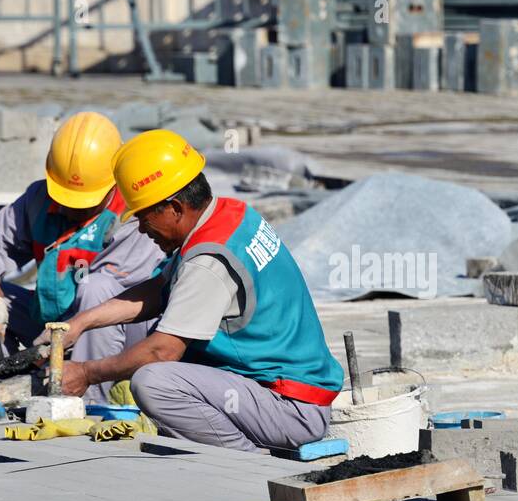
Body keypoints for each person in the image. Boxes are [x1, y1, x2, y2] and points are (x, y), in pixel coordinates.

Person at [53, 129, 343, 452]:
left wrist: (86, 372)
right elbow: (159, 290)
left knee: (153, 383)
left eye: (145, 217)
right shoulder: (226, 213)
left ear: (175, 208)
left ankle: (251, 461)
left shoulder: (208, 260)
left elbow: (162, 352)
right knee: (161, 334)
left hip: (290, 407)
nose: (143, 230)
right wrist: (82, 323)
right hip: (283, 392)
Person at [0, 111, 159, 401]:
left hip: (112, 338)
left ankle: (89, 403)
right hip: (51, 324)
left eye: (85, 201)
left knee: (95, 288)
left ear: (113, 182)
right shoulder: (39, 199)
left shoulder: (133, 217)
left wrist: (64, 341)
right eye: (65, 197)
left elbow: (116, 301)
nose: (71, 208)